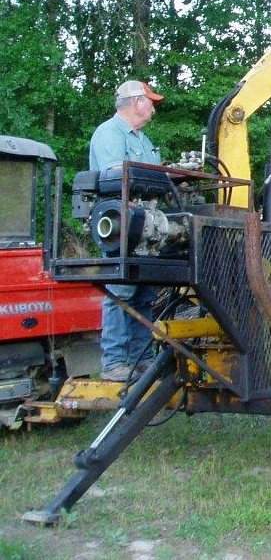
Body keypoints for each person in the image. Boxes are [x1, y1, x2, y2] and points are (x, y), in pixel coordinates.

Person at [89, 80, 164, 382]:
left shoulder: (143, 140)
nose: (154, 109)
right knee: (121, 290)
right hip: (120, 223)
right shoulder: (109, 133)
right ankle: (115, 362)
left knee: (144, 292)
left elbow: (157, 176)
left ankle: (141, 359)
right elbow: (114, 173)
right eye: (151, 102)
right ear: (136, 102)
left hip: (145, 222)